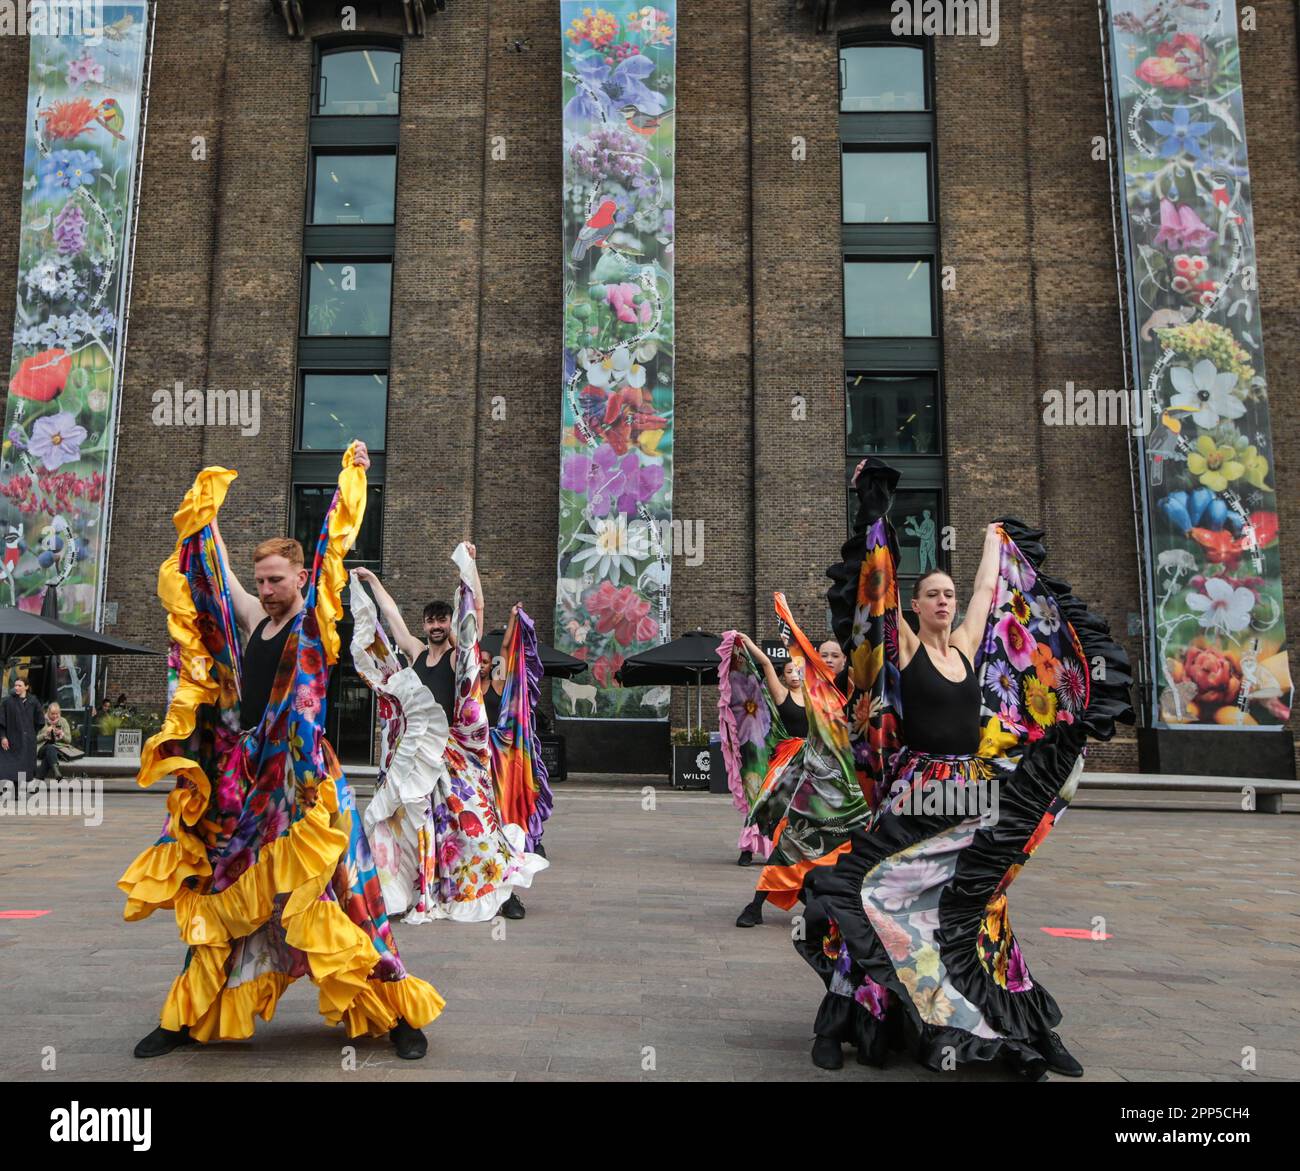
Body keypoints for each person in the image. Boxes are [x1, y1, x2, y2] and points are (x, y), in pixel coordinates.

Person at [794, 457, 1133, 1077]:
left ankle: (1015, 1023)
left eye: (948, 595)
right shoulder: (908, 645)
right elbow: (877, 588)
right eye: (933, 596)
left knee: (981, 904)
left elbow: (987, 592)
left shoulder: (967, 648)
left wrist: (993, 541)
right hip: (919, 792)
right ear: (918, 606)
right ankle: (841, 1019)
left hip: (972, 787)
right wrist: (874, 513)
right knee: (877, 893)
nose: (945, 602)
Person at [118, 442, 443, 1060]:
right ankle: (183, 1018)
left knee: (349, 895)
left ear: (299, 580)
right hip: (250, 788)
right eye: (262, 580)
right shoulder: (258, 619)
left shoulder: (312, 624)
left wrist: (353, 479)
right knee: (222, 889)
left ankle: (398, 1016)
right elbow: (221, 582)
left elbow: (331, 549)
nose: (266, 590)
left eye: (277, 580)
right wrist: (205, 522)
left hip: (309, 789)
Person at [351, 554, 546, 924]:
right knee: (418, 824)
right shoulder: (418, 653)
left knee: (474, 823)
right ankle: (414, 888)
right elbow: (392, 620)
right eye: (431, 620)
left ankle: (504, 892)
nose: (437, 625)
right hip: (418, 754)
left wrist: (469, 569)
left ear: (449, 623)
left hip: (455, 754)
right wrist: (373, 583)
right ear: (425, 625)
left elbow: (477, 615)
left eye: (443, 619)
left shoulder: (460, 659)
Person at [719, 607, 872, 930]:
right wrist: (780, 621)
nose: (829, 659)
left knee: (844, 843)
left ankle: (825, 901)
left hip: (839, 782)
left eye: (835, 655)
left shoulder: (847, 693)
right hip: (804, 776)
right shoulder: (811, 690)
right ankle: (758, 903)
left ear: (844, 662)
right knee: (792, 836)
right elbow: (785, 656)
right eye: (823, 654)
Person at [0, 676, 42, 786]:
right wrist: (3, 737)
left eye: (19, 685)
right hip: (12, 740)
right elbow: (1, 721)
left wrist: (31, 733)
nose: (16, 688)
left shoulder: (33, 701)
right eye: (15, 685)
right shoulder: (7, 702)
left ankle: (19, 791)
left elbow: (39, 721)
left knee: (23, 767)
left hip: (27, 742)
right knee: (10, 767)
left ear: (26, 687)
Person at [35, 701, 83, 780]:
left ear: (59, 713)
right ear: (48, 712)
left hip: (59, 751)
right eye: (52, 714)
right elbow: (34, 739)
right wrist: (44, 735)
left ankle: (39, 779)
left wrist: (62, 735)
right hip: (42, 749)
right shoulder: (41, 721)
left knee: (49, 755)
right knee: (50, 748)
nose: (54, 716)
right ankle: (56, 771)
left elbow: (69, 740)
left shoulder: (63, 721)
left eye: (57, 714)